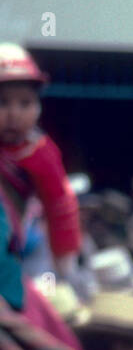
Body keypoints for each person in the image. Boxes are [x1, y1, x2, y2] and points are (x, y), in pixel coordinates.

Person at [0, 44, 81, 313]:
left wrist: (65, 268)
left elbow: (61, 207)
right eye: (3, 103)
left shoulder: (41, 153)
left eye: (26, 103)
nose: (14, 114)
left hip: (15, 256)